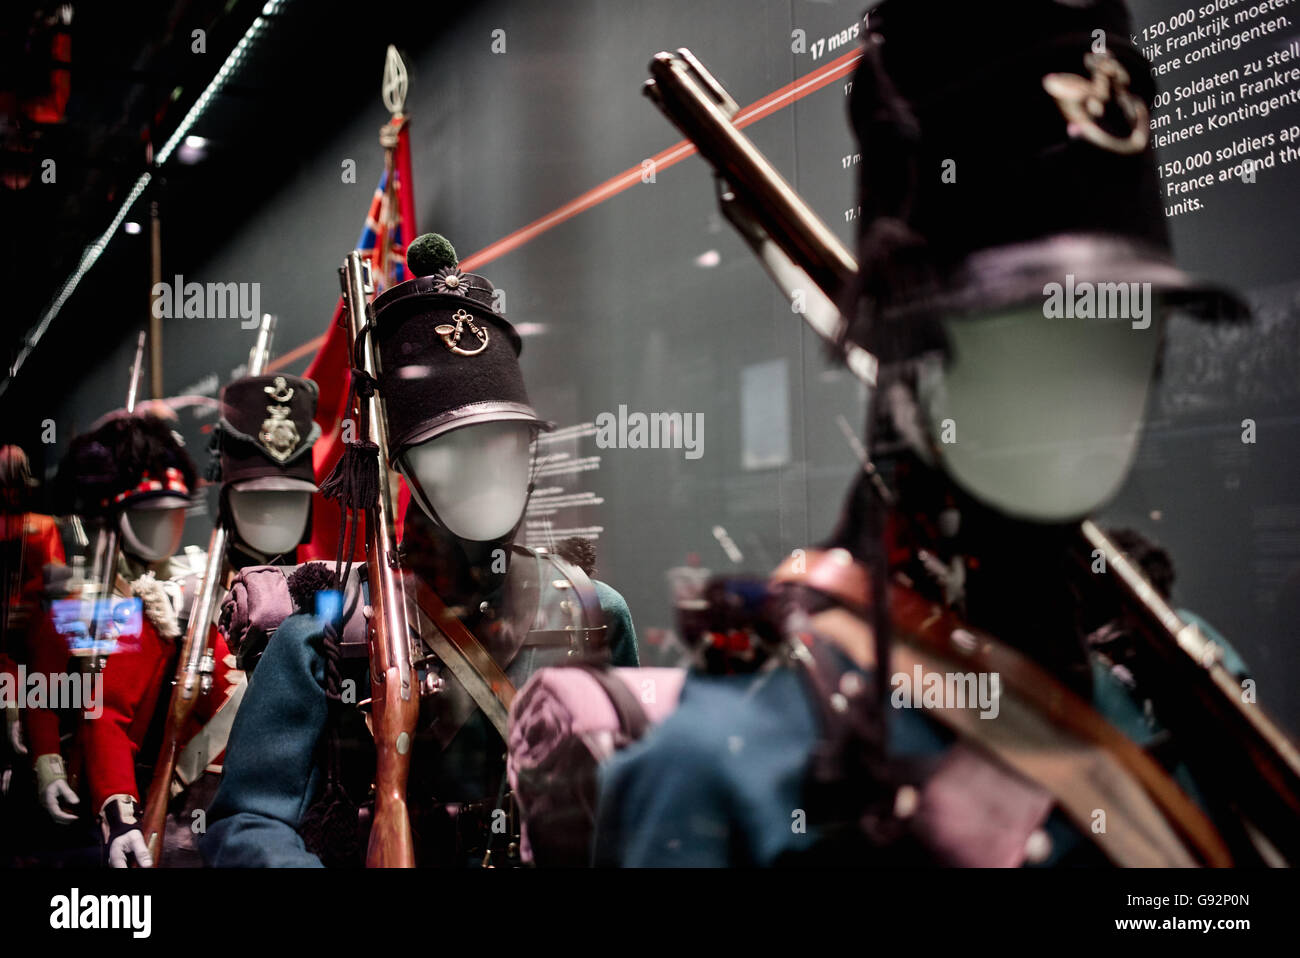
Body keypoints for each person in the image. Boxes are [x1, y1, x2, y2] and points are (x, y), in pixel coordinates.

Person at [594, 0, 1259, 868]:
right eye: (1034, 326)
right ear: (915, 354)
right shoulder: (721, 780)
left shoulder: (1188, 693)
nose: (1096, 377)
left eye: (1130, 325)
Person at [200, 232, 637, 867]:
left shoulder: (592, 613)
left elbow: (627, 802)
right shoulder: (330, 628)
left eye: (507, 443)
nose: (489, 470)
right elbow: (249, 821)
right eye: (452, 449)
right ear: (401, 465)